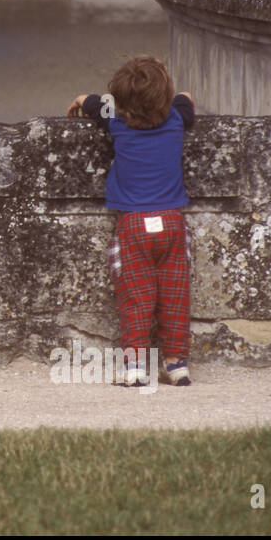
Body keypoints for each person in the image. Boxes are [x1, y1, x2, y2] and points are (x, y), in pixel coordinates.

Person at [68, 56, 195, 387]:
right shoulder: (177, 120)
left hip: (134, 226)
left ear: (121, 102)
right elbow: (186, 99)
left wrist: (82, 99)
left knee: (136, 297)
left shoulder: (116, 123)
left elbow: (96, 104)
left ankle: (136, 365)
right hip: (171, 223)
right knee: (174, 296)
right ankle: (176, 363)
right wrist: (171, 89)